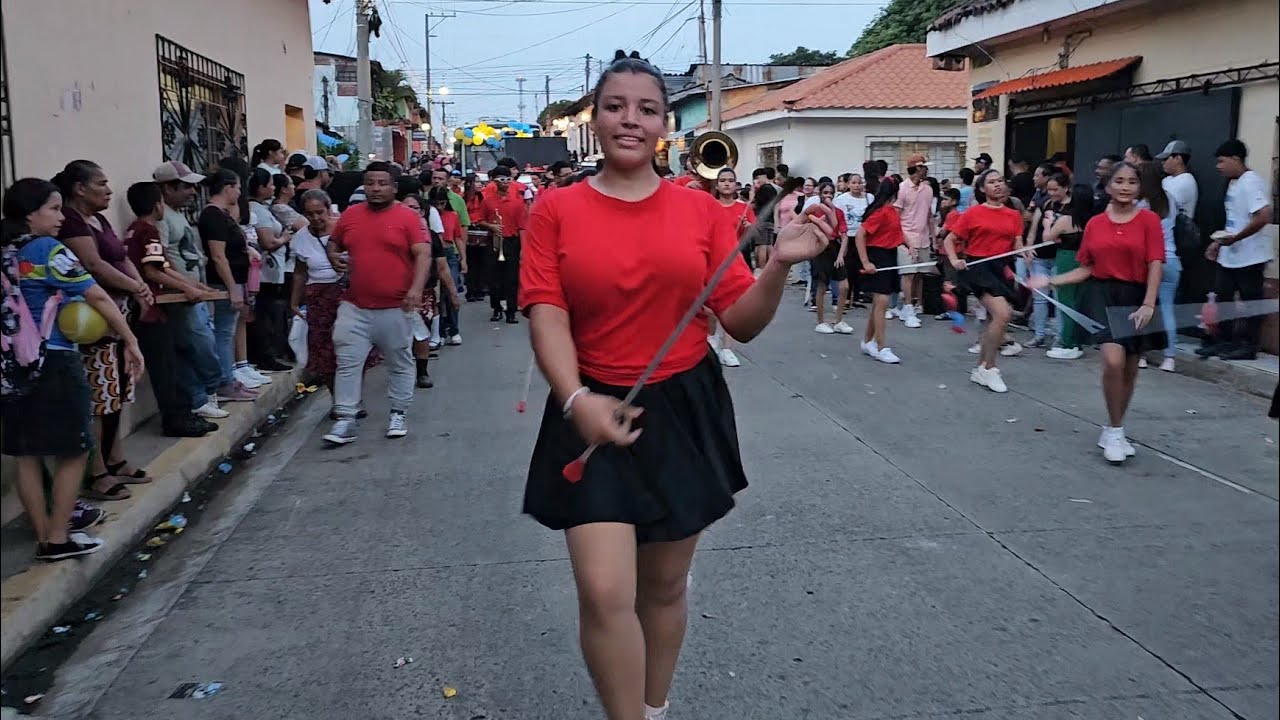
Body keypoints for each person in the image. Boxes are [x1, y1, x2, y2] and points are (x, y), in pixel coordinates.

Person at [517, 50, 833, 720]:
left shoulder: (702, 215)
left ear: (665, 125)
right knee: (605, 591)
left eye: (647, 109)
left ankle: (654, 708)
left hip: (683, 406)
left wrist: (778, 264)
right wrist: (576, 400)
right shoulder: (555, 210)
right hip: (590, 404)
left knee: (661, 588)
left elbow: (741, 324)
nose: (631, 120)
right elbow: (546, 313)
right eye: (615, 106)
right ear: (595, 119)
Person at [2, 178, 144, 559]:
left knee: (26, 454)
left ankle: (43, 534)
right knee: (74, 450)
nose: (60, 216)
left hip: (10, 367)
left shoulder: (5, 251)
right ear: (30, 214)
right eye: (52, 208)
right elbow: (95, 293)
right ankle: (58, 536)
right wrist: (129, 339)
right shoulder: (47, 249)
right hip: (54, 361)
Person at [1029, 161, 1164, 463]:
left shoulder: (1149, 220)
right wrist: (1049, 280)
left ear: (1139, 187)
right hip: (1103, 294)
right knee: (1113, 362)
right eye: (1119, 181)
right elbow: (1086, 268)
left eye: (1132, 181)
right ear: (1108, 186)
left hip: (1137, 295)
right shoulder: (1095, 224)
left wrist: (1149, 303)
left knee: (1129, 369)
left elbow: (1156, 262)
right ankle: (1115, 431)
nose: (1125, 187)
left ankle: (1115, 425)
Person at [53, 160, 154, 499]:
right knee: (100, 398)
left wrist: (139, 286)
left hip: (117, 315)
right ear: (79, 188)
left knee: (119, 391)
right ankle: (97, 473)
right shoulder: (69, 221)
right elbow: (93, 265)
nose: (109, 190)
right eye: (101, 184)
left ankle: (115, 458)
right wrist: (134, 286)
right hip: (90, 321)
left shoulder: (99, 219)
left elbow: (120, 256)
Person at [323, 162, 431, 445]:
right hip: (355, 305)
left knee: (399, 361)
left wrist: (416, 289)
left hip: (396, 307)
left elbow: (423, 254)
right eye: (370, 183)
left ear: (394, 188)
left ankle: (398, 412)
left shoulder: (408, 218)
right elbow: (333, 243)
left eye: (382, 183)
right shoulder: (351, 215)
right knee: (347, 361)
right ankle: (345, 419)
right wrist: (333, 255)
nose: (375, 188)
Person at [122, 182, 217, 437]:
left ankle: (183, 414)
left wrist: (192, 284)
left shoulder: (136, 230)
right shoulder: (148, 231)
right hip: (151, 310)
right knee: (166, 367)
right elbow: (154, 270)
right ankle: (176, 419)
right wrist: (188, 289)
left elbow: (166, 267)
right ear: (157, 205)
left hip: (151, 309)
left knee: (171, 363)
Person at [289, 189, 380, 417]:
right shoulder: (301, 238)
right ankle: (338, 401)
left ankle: (354, 398)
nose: (316, 218)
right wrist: (294, 302)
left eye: (320, 212)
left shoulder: (346, 230)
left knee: (353, 348)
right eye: (310, 214)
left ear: (329, 209)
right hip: (318, 298)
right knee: (324, 351)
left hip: (349, 294)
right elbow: (300, 272)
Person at [943, 169, 1025, 393]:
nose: (998, 185)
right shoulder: (973, 213)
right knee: (1003, 314)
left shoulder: (1013, 215)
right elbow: (950, 240)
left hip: (1001, 268)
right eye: (991, 182)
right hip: (978, 268)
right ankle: (990, 368)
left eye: (1000, 181)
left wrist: (1025, 252)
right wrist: (954, 259)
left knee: (993, 321)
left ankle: (980, 367)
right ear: (982, 188)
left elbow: (1016, 243)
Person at [1199, 139, 1274, 361]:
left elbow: (1264, 216)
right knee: (1223, 298)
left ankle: (1248, 346)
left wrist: (1236, 238)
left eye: (1222, 161)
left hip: (1251, 255)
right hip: (1230, 255)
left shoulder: (1252, 182)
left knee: (1251, 301)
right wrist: (1219, 242)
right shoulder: (1233, 183)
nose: (1218, 166)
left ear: (1236, 159)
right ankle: (1222, 341)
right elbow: (1234, 220)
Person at [850, 179, 904, 363]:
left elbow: (896, 233)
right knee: (882, 302)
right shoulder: (881, 212)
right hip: (877, 256)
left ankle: (867, 341)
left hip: (889, 255)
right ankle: (882, 347)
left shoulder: (892, 211)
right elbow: (860, 235)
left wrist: (909, 245)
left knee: (879, 304)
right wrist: (865, 262)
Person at [1135, 162, 1180, 371]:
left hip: (1149, 261)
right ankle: (1169, 358)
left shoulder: (1140, 205)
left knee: (1144, 307)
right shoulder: (1170, 199)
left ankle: (1142, 355)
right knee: (1168, 309)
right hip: (1171, 259)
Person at [1042, 180, 1093, 361]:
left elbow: (1048, 237)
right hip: (1087, 260)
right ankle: (1076, 342)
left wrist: (1048, 223)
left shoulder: (1066, 220)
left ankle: (1068, 343)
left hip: (1067, 259)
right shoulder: (1094, 220)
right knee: (1079, 302)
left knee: (1066, 303)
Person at [893, 155, 936, 328]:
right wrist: (904, 241)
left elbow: (929, 216)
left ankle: (907, 306)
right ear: (917, 168)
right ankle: (909, 308)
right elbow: (896, 218)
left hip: (924, 237)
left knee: (919, 273)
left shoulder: (928, 189)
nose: (927, 169)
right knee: (908, 274)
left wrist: (934, 238)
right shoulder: (902, 188)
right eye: (924, 167)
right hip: (906, 237)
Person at [481, 165, 527, 324]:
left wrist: (524, 249)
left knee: (511, 278)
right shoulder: (487, 201)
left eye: (509, 180)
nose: (506, 183)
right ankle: (496, 308)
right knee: (494, 278)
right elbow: (480, 220)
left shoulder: (517, 203)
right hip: (494, 241)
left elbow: (522, 227)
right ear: (494, 182)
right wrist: (491, 226)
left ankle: (511, 311)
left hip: (511, 242)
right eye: (502, 180)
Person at [810, 181, 851, 335]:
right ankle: (820, 321)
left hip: (834, 248)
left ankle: (839, 320)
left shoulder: (838, 212)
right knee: (822, 286)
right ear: (819, 194)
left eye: (830, 193)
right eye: (825, 193)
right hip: (820, 249)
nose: (828, 196)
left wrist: (841, 254)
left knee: (844, 286)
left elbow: (844, 235)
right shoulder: (814, 211)